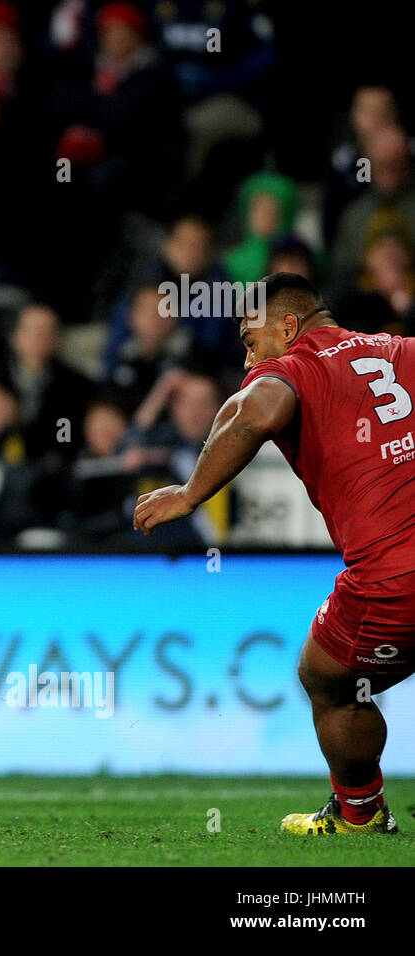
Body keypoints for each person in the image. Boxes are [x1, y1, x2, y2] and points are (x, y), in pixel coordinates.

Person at [135, 272, 415, 835]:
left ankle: (360, 813)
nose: (247, 360)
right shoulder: (401, 349)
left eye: (249, 341)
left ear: (288, 327)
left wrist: (191, 493)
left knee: (327, 677)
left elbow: (256, 411)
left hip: (396, 575)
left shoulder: (296, 366)